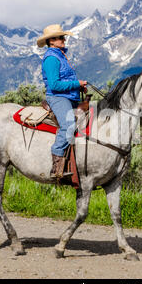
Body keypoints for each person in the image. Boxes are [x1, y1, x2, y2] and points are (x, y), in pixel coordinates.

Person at [37, 24, 87, 179]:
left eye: (63, 37)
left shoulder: (61, 55)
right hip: (58, 97)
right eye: (60, 37)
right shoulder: (52, 58)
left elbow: (66, 80)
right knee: (69, 124)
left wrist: (78, 89)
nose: (63, 39)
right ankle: (57, 166)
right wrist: (77, 84)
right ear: (51, 41)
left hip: (69, 97)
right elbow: (54, 85)